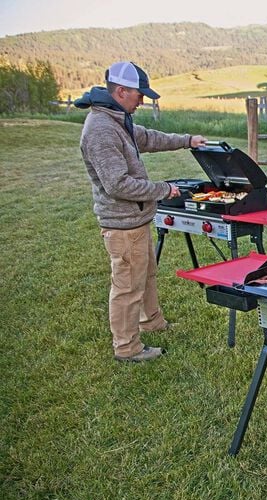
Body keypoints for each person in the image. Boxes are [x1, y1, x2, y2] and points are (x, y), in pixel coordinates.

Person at [76, 61, 207, 363]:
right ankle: (127, 347)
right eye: (139, 94)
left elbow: (149, 138)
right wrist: (163, 189)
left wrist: (187, 140)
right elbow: (117, 184)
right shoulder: (101, 129)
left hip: (136, 220)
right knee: (127, 287)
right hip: (122, 224)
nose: (142, 100)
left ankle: (152, 321)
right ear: (121, 91)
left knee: (145, 276)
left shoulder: (117, 119)